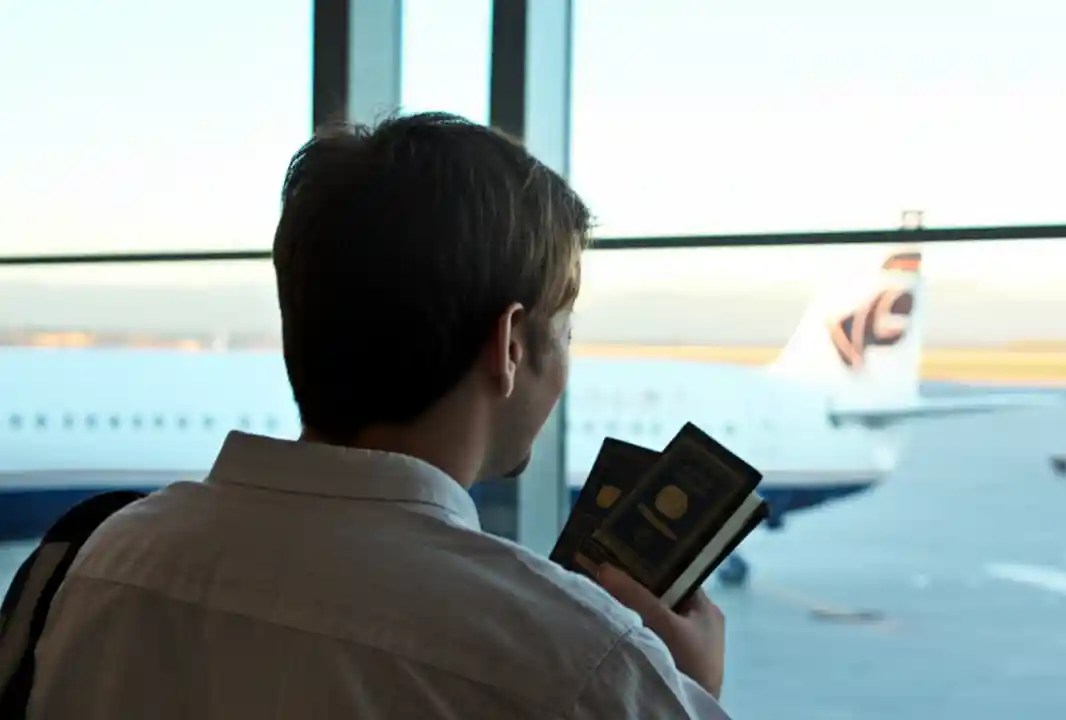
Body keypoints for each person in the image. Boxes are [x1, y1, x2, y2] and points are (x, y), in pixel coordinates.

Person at [28, 112, 730, 719]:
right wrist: (683, 692)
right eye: (566, 331)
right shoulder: (583, 662)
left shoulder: (103, 566)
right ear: (510, 345)